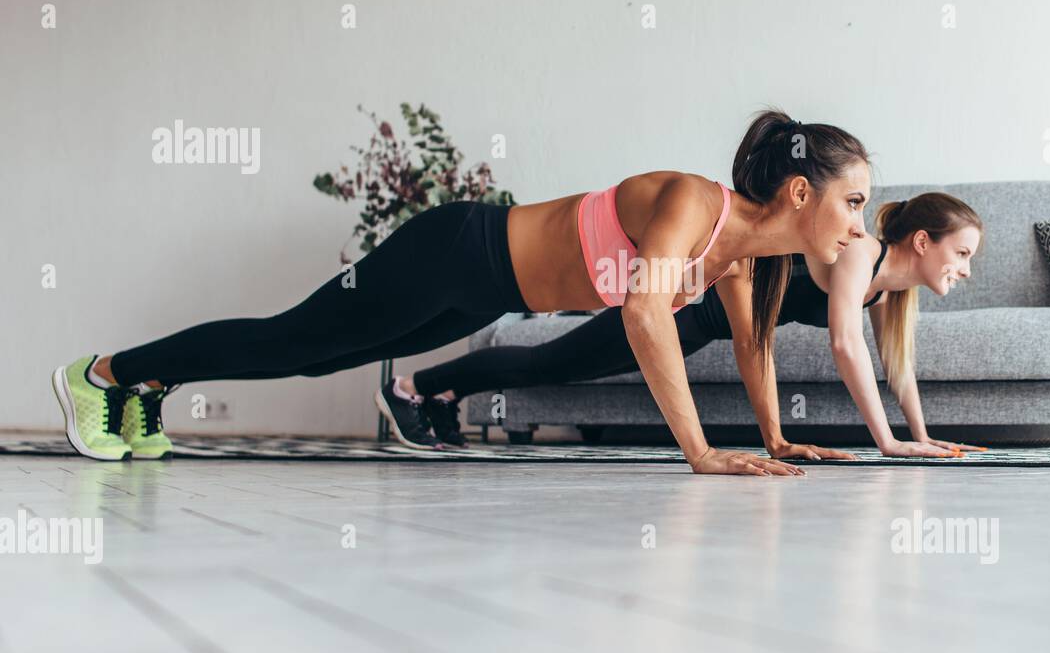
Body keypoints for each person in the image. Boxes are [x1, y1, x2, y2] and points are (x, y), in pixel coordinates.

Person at [52, 110, 872, 476]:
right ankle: (105, 375)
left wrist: (773, 439)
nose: (859, 225)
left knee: (311, 358)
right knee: (292, 339)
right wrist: (700, 453)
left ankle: (148, 388)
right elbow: (643, 310)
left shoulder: (739, 263)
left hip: (483, 293)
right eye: (855, 202)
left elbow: (752, 343)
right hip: (456, 250)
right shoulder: (693, 203)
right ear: (801, 193)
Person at [389, 193, 987, 460]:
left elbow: (896, 367)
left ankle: (441, 393)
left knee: (558, 364)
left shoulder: (893, 289)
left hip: (703, 325)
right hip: (679, 310)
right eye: (961, 254)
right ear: (921, 241)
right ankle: (415, 388)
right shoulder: (863, 253)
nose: (965, 269)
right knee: (552, 363)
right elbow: (844, 343)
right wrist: (887, 442)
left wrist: (922, 434)